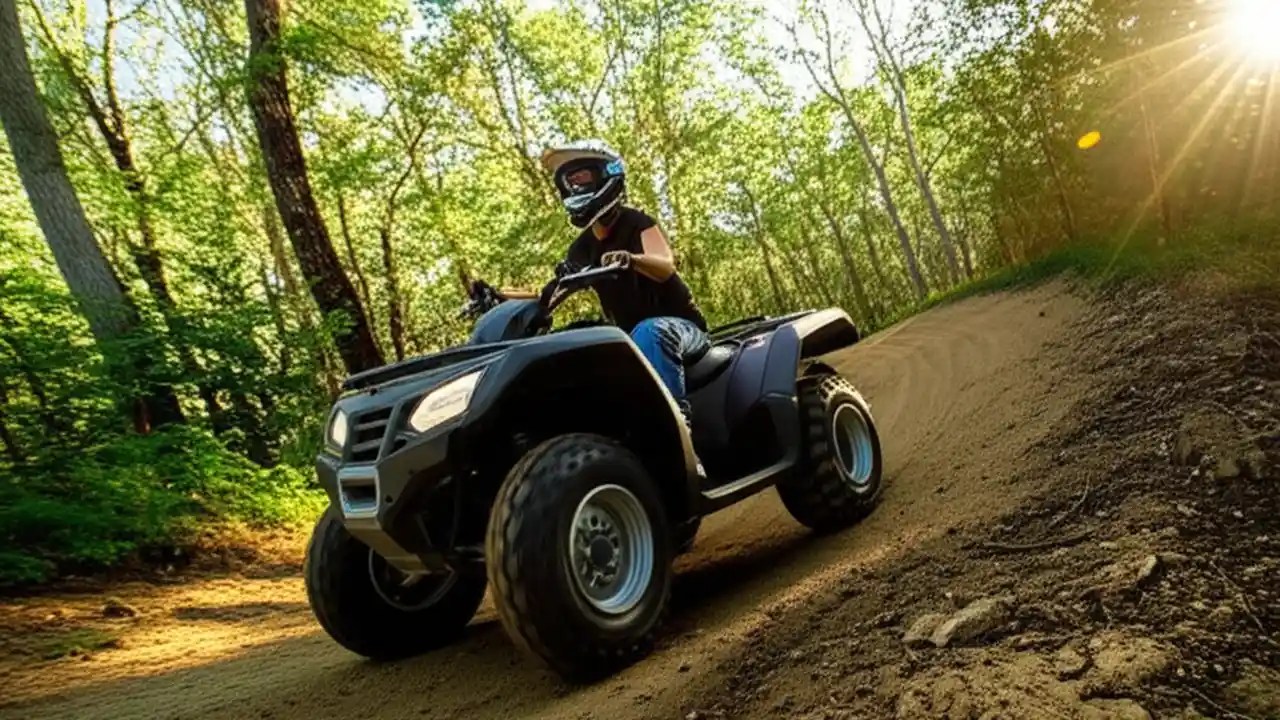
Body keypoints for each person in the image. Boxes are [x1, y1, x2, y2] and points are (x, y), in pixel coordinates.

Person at [502, 140, 710, 434]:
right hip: (630, 340)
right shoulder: (583, 247)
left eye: (582, 178)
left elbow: (665, 265)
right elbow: (547, 292)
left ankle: (675, 431)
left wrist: (632, 259)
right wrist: (500, 296)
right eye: (570, 182)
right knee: (578, 342)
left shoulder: (637, 222)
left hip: (683, 330)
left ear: (607, 176)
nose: (576, 187)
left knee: (650, 331)